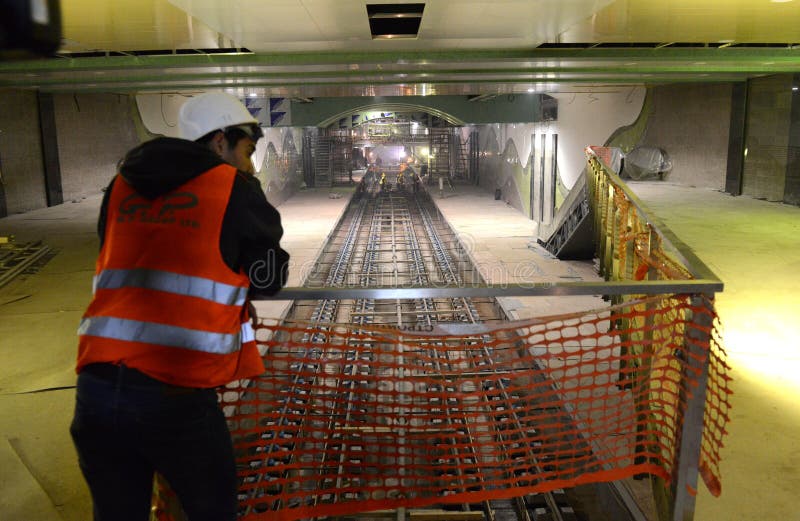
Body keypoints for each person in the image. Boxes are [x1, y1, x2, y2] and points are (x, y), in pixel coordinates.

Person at [70, 92, 289, 521]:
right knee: (212, 509)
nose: (249, 163)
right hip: (175, 391)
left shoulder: (122, 184)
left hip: (96, 386)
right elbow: (268, 280)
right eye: (246, 151)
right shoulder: (232, 188)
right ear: (220, 141)